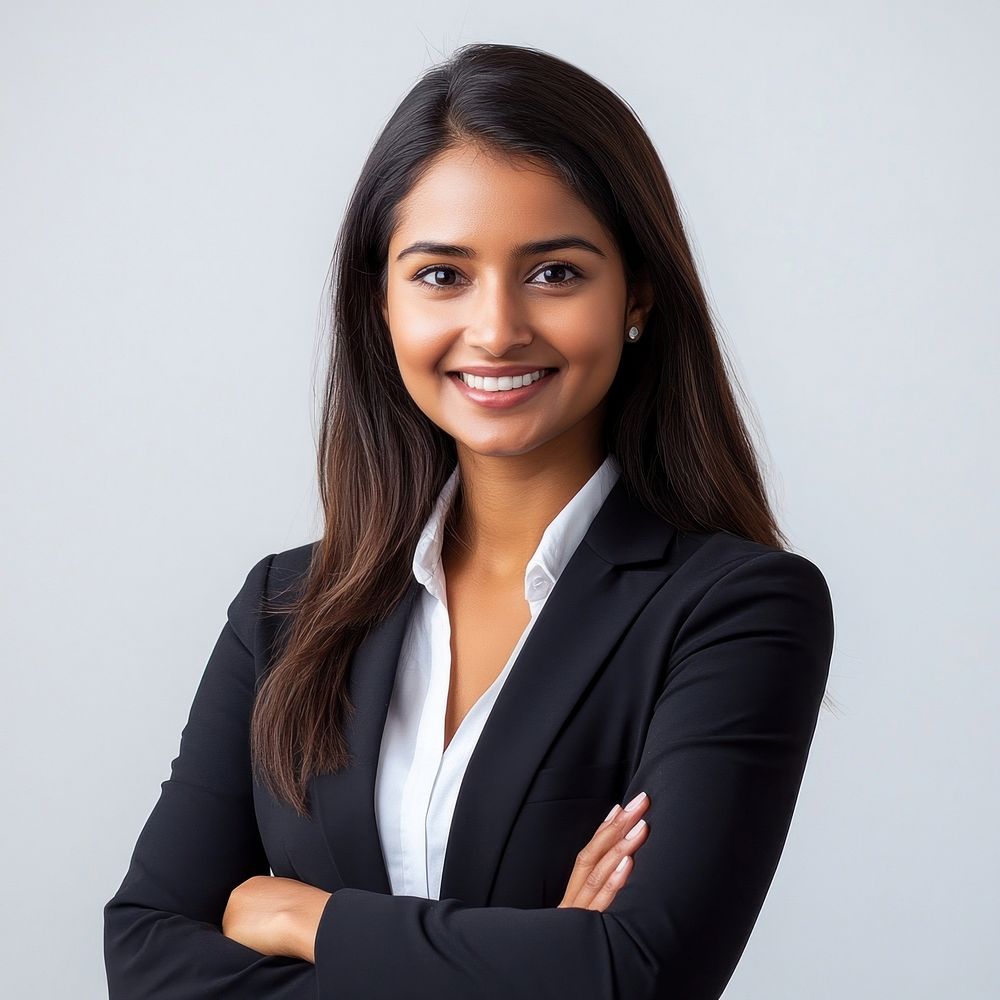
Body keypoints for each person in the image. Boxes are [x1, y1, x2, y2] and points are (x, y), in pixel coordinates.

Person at [104, 41, 835, 1000]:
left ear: (638, 296)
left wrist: (308, 919)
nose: (495, 330)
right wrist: (534, 955)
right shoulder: (283, 609)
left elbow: (636, 975)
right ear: (381, 302)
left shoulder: (736, 611)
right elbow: (148, 958)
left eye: (555, 273)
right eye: (442, 275)